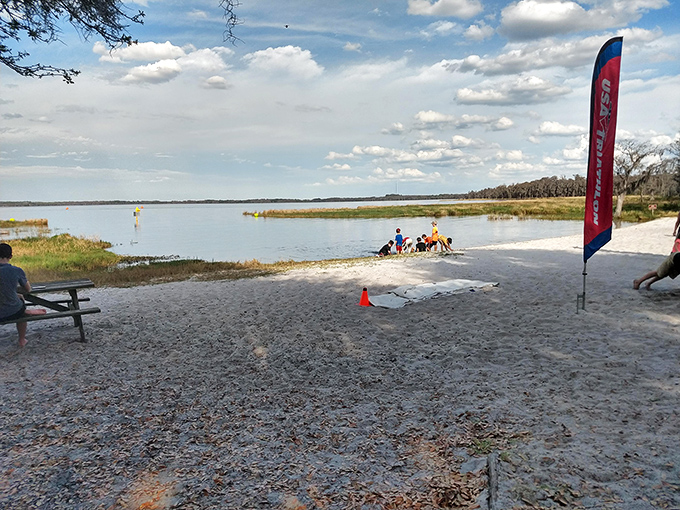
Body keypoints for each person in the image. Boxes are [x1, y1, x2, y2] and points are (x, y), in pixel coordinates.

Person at [0, 243, 44, 347]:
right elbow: (28, 289)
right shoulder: (16, 271)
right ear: (11, 256)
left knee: (16, 299)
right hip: (14, 311)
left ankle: (26, 311)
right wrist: (15, 292)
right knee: (20, 302)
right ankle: (22, 339)